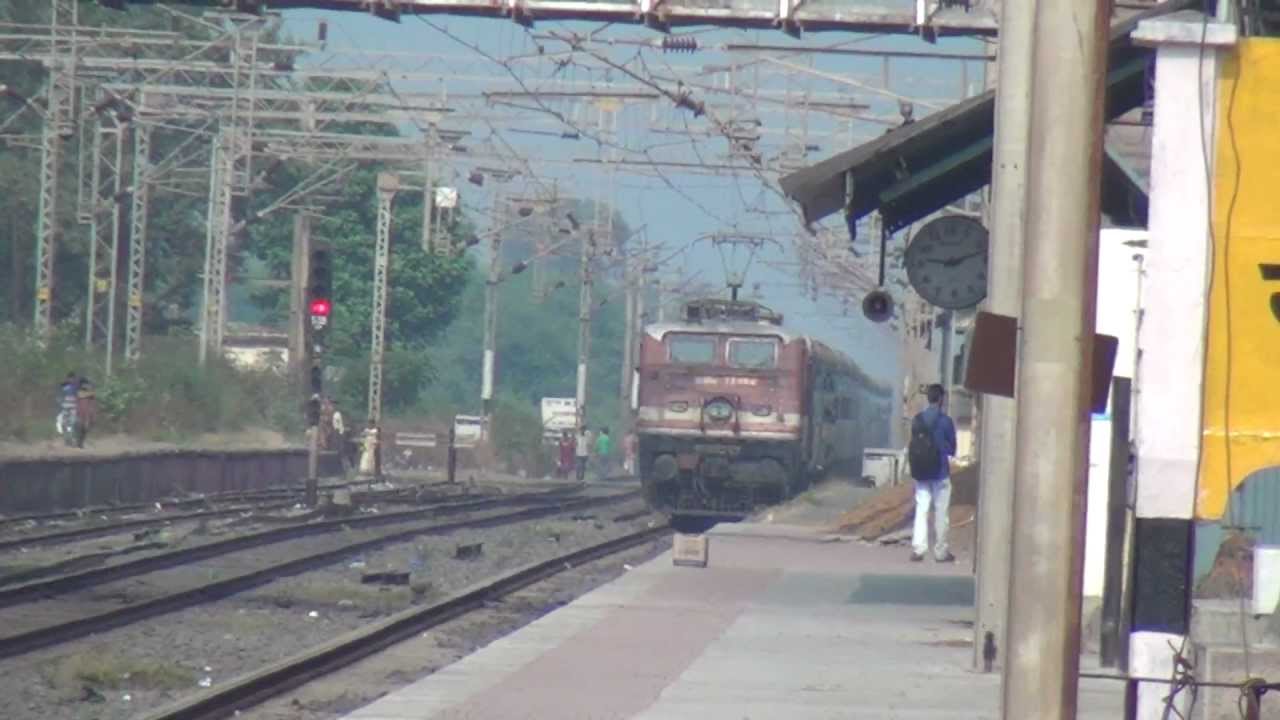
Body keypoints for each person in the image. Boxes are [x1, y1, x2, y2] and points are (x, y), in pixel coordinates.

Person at [907, 383, 957, 563]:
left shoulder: (917, 420)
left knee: (921, 510)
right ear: (941, 399)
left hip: (921, 472)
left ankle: (918, 549)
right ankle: (941, 551)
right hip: (940, 472)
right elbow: (952, 449)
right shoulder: (946, 422)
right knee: (941, 512)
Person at [74, 376, 97, 448]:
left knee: (85, 429)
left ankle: (80, 443)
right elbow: (80, 395)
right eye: (85, 384)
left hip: (87, 414)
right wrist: (90, 393)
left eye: (86, 384)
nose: (86, 385)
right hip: (79, 413)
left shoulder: (89, 392)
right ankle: (78, 443)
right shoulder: (79, 391)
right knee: (80, 428)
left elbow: (93, 401)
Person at [56, 372, 78, 442]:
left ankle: (72, 436)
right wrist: (60, 402)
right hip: (65, 406)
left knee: (73, 421)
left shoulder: (76, 386)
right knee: (62, 421)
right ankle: (64, 436)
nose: (71, 380)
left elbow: (79, 396)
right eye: (70, 378)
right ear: (68, 378)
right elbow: (58, 395)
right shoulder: (63, 386)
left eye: (73, 378)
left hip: (74, 406)